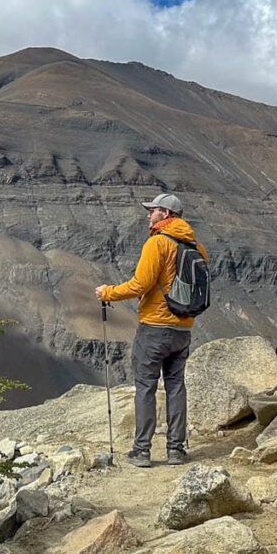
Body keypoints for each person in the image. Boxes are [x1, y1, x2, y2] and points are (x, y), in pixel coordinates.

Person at [95, 192, 208, 467]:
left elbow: (140, 285)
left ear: (165, 215)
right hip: (183, 327)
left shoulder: (157, 243)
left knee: (145, 386)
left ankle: (142, 450)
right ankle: (176, 450)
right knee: (175, 386)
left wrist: (108, 292)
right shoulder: (196, 247)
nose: (149, 215)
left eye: (153, 210)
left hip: (155, 327)